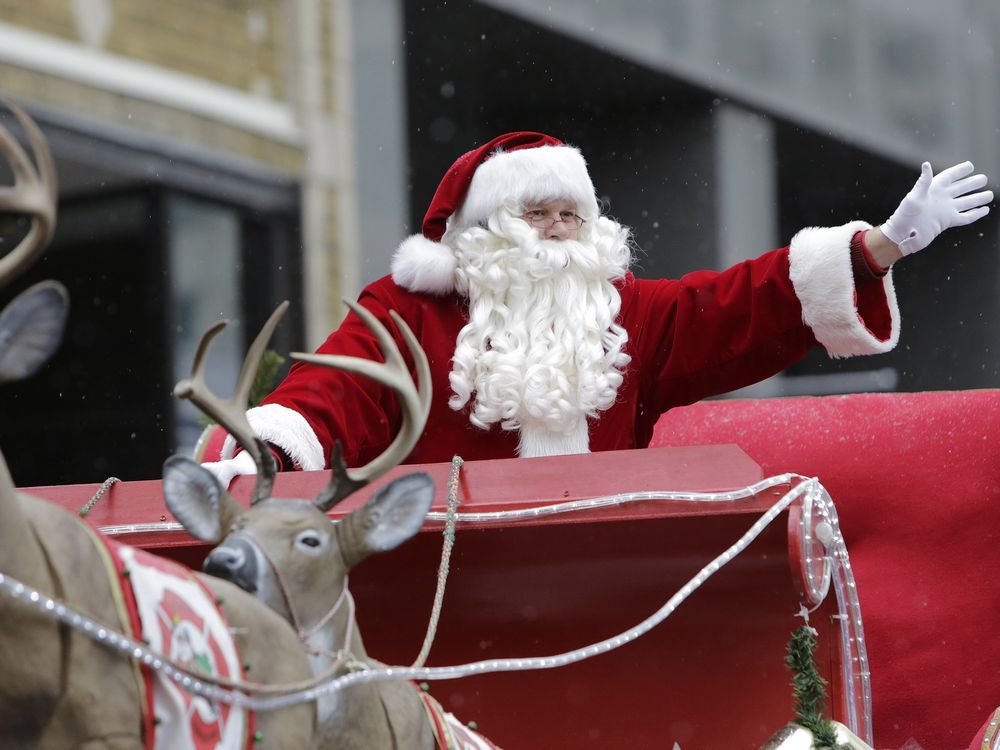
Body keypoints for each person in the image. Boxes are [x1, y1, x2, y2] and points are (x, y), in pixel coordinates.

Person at [201, 131, 992, 486]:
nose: (556, 229)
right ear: (485, 231)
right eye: (535, 213)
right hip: (437, 576)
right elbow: (331, 399)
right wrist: (264, 455)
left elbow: (741, 305)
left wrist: (878, 248)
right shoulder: (412, 310)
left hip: (607, 577)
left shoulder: (627, 313)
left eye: (569, 214)